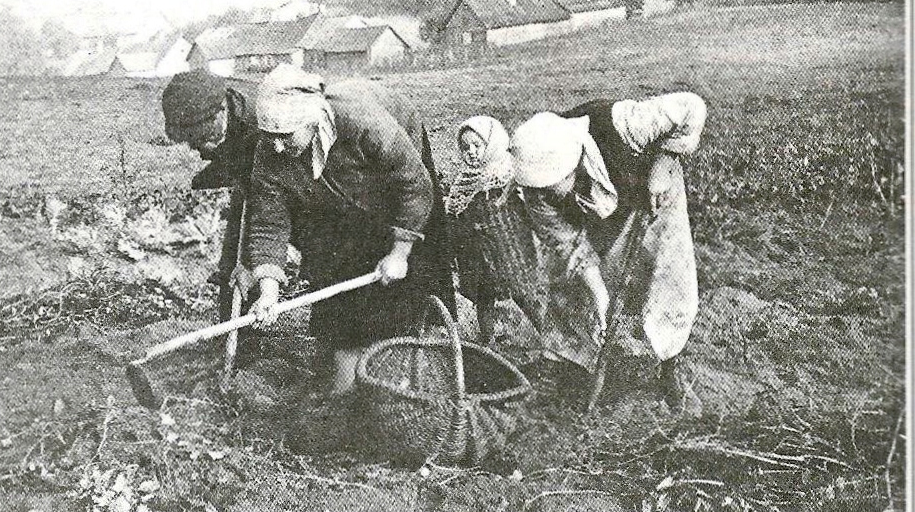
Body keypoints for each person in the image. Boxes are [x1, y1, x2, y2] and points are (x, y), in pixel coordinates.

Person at [240, 64, 452, 398]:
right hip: (336, 199)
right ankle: (346, 370)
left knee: (410, 275)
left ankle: (420, 355)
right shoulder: (269, 153)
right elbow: (269, 221)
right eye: (270, 138)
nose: (278, 148)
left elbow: (413, 187)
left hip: (397, 175)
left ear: (312, 120)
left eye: (286, 137)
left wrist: (399, 253)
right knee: (338, 261)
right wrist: (268, 290)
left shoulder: (361, 121)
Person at [508, 91, 708, 411]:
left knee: (667, 276)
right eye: (538, 190)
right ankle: (562, 364)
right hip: (594, 209)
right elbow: (571, 246)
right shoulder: (537, 193)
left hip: (654, 194)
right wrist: (599, 293)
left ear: (571, 164)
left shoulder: (622, 124)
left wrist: (665, 160)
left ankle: (672, 366)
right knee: (567, 282)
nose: (543, 196)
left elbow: (691, 106)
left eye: (550, 186)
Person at [160, 70, 258, 322]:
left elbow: (266, 201)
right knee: (231, 265)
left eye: (202, 137)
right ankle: (234, 328)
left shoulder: (258, 126)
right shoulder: (220, 121)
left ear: (220, 112)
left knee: (250, 257)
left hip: (292, 187)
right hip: (246, 180)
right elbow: (225, 159)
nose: (198, 147)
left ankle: (253, 330)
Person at [446, 115, 548, 346]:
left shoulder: (507, 174)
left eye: (477, 146)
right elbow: (454, 213)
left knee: (524, 292)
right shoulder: (465, 181)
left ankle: (551, 337)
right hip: (476, 250)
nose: (471, 152)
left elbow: (528, 206)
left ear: (491, 145)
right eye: (465, 148)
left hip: (508, 245)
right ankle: (488, 340)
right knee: (483, 298)